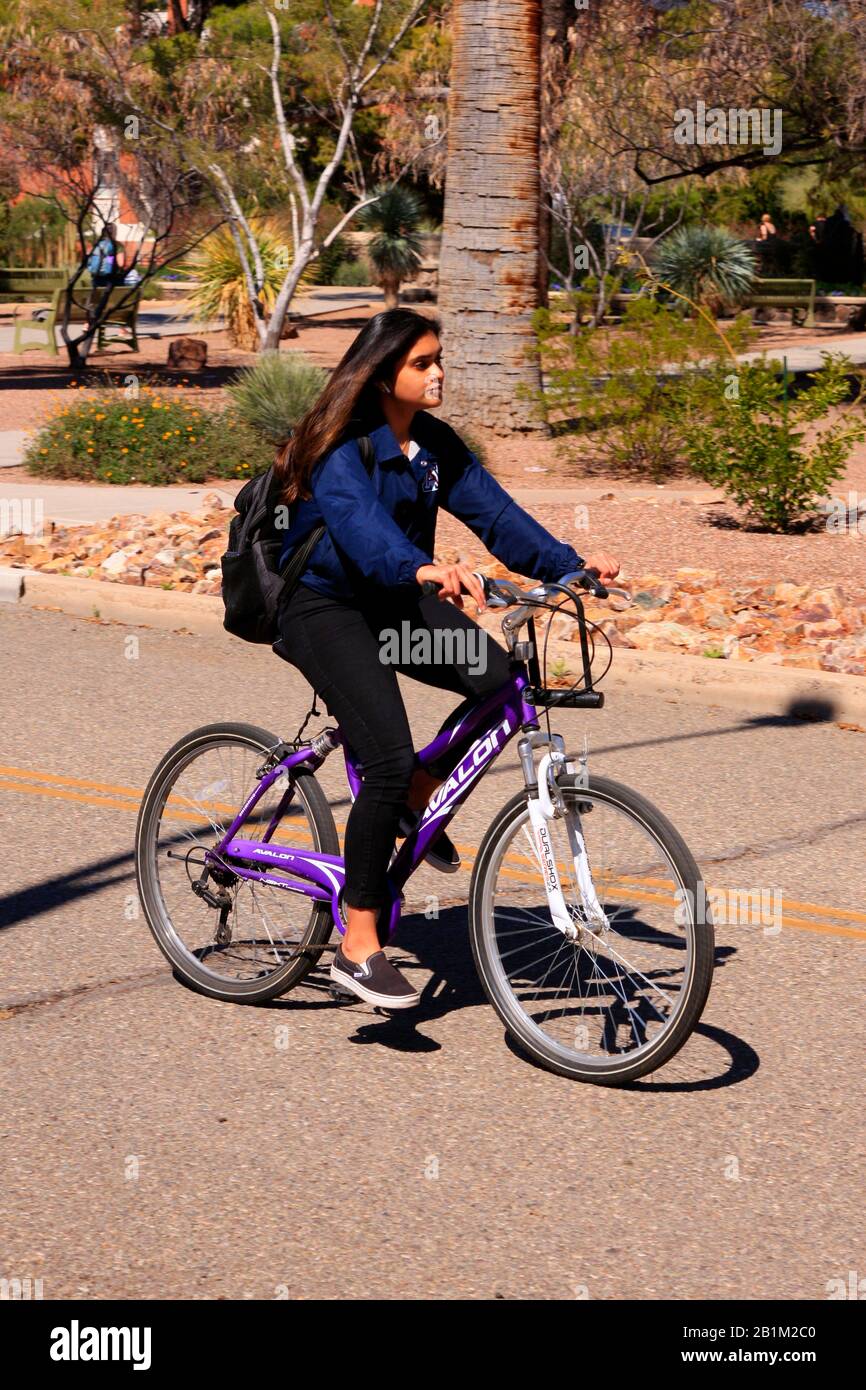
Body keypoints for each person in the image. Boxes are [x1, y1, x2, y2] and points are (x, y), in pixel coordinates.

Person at [271, 308, 620, 1009]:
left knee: (503, 679)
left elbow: (497, 517)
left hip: (397, 597)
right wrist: (422, 568)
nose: (438, 374)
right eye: (423, 363)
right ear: (381, 374)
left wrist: (571, 566)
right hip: (325, 608)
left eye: (440, 360)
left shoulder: (433, 445)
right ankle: (360, 941)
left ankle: (418, 791)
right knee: (386, 755)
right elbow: (360, 529)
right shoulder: (343, 448)